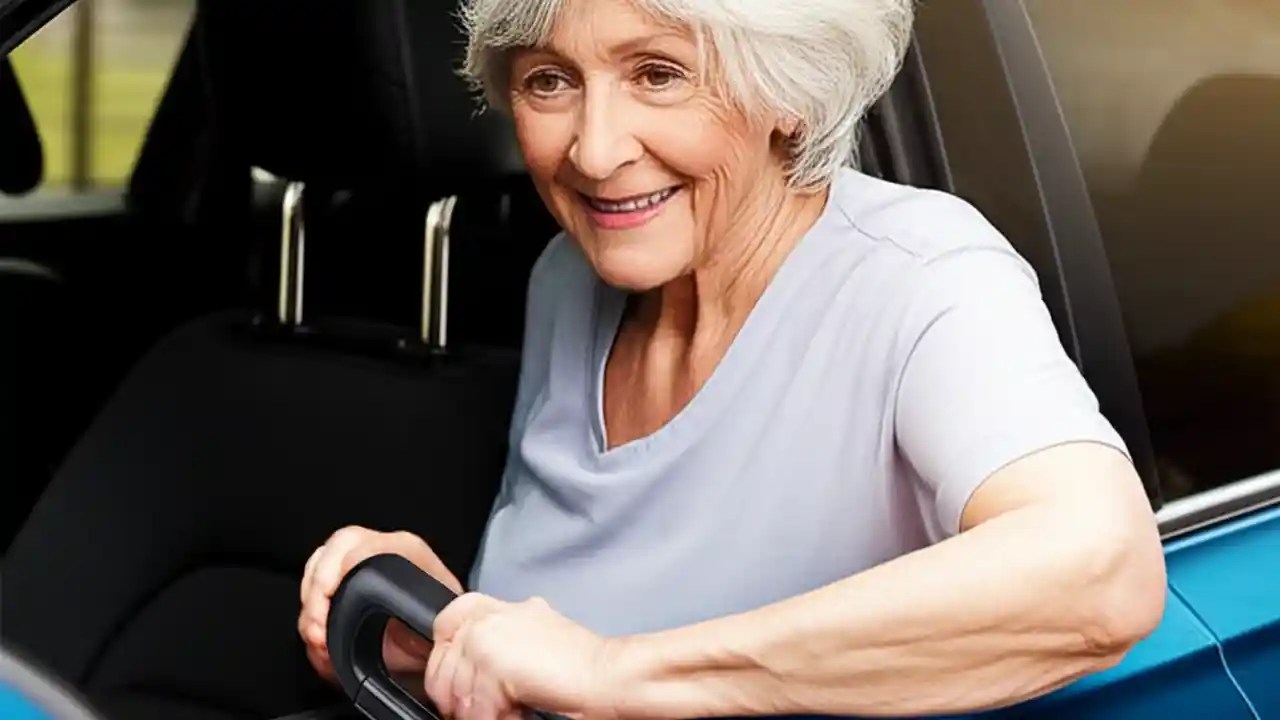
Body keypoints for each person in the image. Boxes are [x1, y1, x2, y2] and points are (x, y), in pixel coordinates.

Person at [297, 0, 1168, 718]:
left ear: (787, 89)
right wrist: (449, 637)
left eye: (659, 74)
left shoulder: (921, 276)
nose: (596, 151)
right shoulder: (569, 277)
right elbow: (570, 648)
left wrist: (615, 672)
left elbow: (1102, 574)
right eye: (549, 79)